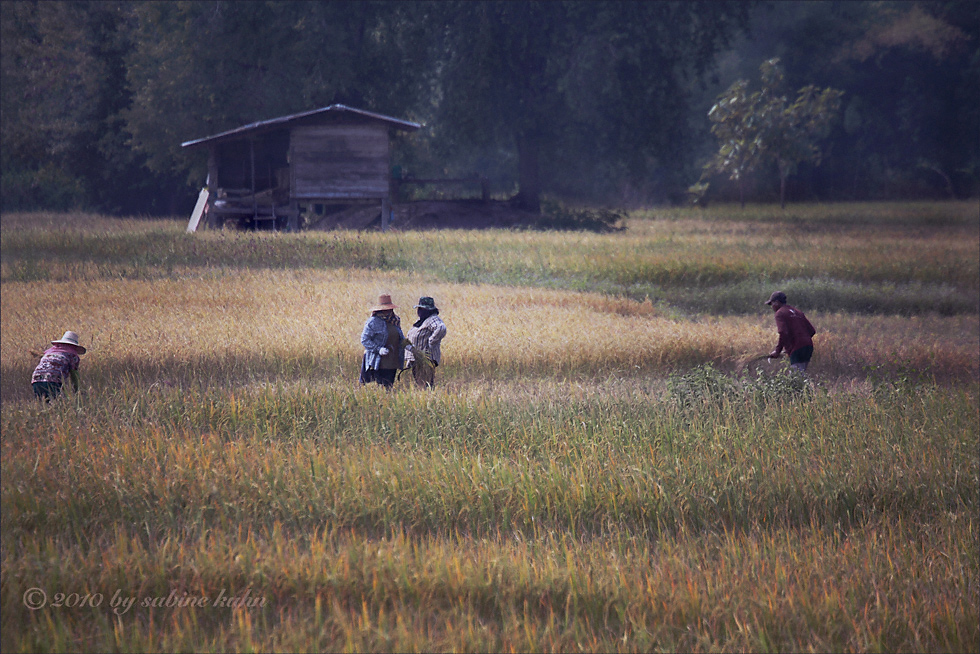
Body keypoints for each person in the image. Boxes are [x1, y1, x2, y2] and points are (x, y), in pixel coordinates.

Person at [359, 294, 405, 388]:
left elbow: (400, 336)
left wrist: (406, 345)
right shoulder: (373, 322)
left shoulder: (395, 320)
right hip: (378, 361)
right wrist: (378, 349)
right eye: (385, 309)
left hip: (392, 360)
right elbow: (364, 339)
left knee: (389, 386)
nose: (388, 311)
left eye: (389, 309)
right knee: (378, 386)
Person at [765, 291, 816, 373]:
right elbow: (812, 331)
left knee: (796, 377)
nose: (772, 307)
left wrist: (778, 351)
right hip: (808, 346)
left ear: (777, 302)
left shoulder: (780, 313)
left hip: (797, 348)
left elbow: (783, 332)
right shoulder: (798, 312)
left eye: (772, 304)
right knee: (801, 373)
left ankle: (805, 386)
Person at [404, 296, 447, 388]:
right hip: (418, 358)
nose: (419, 311)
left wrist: (432, 341)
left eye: (422, 309)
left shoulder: (433, 319)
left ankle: (428, 398)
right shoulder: (422, 320)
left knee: (425, 384)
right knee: (421, 383)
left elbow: (441, 328)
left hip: (425, 358)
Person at [32, 330, 86, 401]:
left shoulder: (49, 352)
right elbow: (74, 375)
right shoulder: (72, 355)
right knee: (54, 403)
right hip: (53, 380)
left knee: (42, 403)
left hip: (36, 379)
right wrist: (78, 391)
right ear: (74, 346)